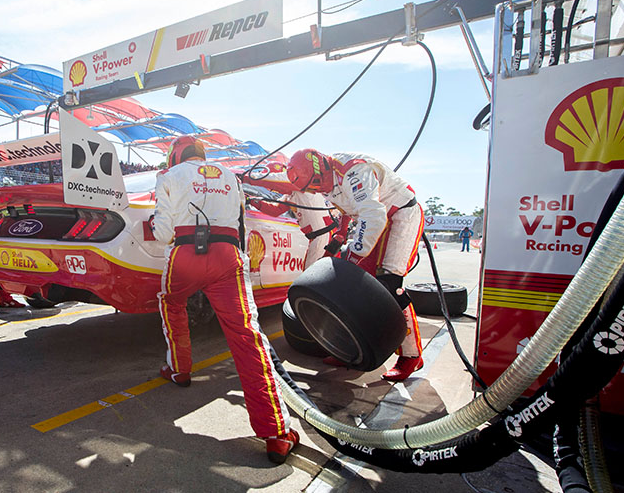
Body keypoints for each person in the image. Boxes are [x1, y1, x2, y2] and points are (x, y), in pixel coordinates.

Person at [152, 136, 298, 464]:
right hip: (228, 257)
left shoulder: (168, 177)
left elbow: (163, 232)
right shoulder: (231, 175)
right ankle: (276, 433)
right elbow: (242, 224)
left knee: (170, 303)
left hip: (185, 255)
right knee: (247, 337)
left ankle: (179, 369)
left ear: (175, 155)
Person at [286, 149, 425, 381]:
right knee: (348, 287)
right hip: (370, 219)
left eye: (317, 184)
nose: (318, 190)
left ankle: (411, 356)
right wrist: (340, 237)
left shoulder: (354, 171)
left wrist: (355, 252)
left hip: (400, 216)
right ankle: (348, 348)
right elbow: (348, 210)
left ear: (322, 168)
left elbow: (374, 215)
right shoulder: (325, 180)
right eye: (312, 189)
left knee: (390, 285)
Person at [244, 162, 340, 268]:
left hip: (322, 235)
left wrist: (248, 178)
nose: (273, 190)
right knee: (317, 274)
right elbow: (275, 210)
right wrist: (252, 200)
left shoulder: (298, 183)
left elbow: (277, 183)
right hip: (322, 234)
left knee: (311, 277)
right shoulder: (292, 192)